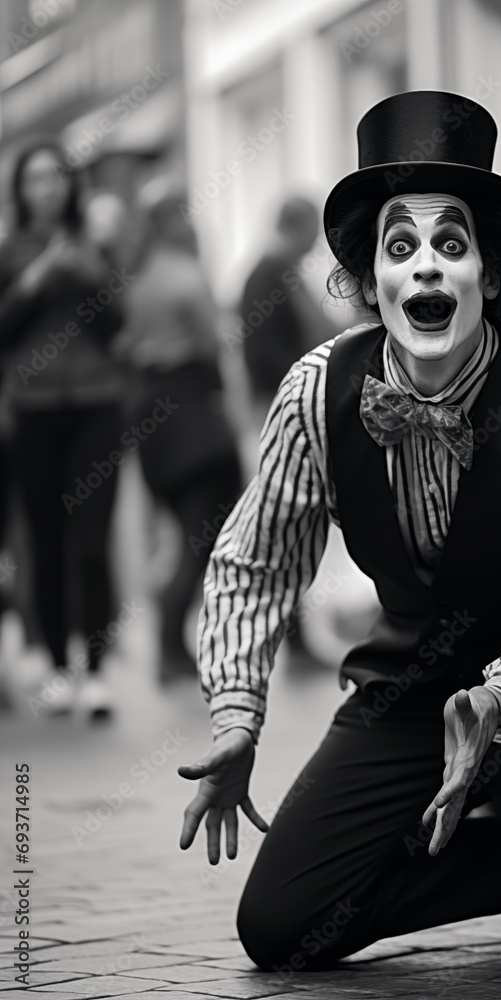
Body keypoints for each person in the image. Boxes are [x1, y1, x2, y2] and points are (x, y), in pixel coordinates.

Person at [179, 91, 501, 965]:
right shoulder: (316, 391)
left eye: (450, 246)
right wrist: (237, 714)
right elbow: (253, 565)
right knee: (279, 930)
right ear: (368, 279)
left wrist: (498, 704)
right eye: (400, 247)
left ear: (488, 276)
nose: (424, 268)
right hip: (421, 676)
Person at [0, 138, 126, 719]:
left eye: (56, 177)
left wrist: (89, 276)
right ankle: (56, 668)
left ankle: (96, 671)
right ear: (21, 191)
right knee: (46, 544)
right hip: (34, 409)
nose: (47, 187)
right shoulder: (10, 251)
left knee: (93, 541)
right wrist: (35, 278)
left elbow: (117, 326)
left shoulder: (94, 246)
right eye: (35, 179)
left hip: (97, 405)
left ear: (70, 185)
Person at [116, 188, 243, 683]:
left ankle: (175, 644)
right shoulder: (187, 277)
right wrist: (232, 414)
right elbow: (215, 349)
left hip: (153, 420)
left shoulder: (136, 280)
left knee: (193, 539)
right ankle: (169, 645)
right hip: (193, 417)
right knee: (208, 539)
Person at [239, 196, 337, 425]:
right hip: (283, 396)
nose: (316, 240)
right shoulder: (268, 277)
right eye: (314, 231)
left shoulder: (283, 272)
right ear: (298, 227)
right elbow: (264, 351)